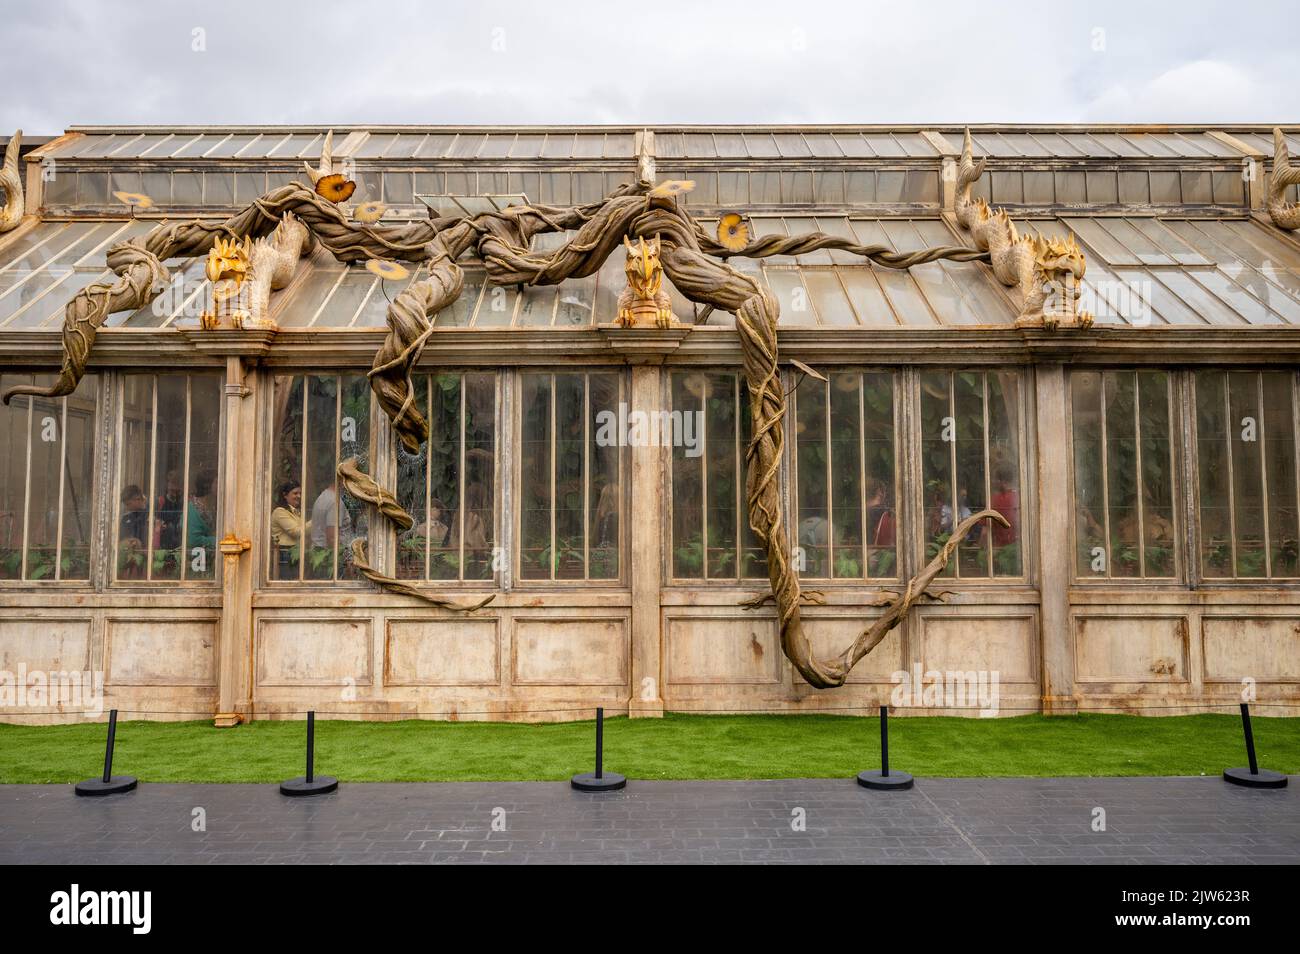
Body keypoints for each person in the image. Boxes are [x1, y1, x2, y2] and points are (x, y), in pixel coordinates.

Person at [270, 480, 309, 578]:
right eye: (295, 493)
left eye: (300, 493)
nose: (299, 496)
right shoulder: (279, 512)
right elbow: (296, 532)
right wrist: (315, 520)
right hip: (285, 553)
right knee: (288, 584)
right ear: (285, 495)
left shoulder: (295, 512)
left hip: (295, 552)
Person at [310, 482, 352, 551]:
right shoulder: (335, 502)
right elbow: (332, 538)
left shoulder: (323, 496)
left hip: (319, 552)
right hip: (330, 554)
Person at [156, 468, 184, 550]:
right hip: (164, 541)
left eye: (176, 484)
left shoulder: (182, 502)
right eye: (172, 483)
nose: (174, 488)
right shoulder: (161, 501)